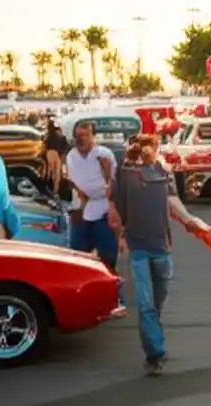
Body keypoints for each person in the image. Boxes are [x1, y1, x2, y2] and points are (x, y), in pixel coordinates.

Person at [112, 134, 203, 376]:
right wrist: (120, 237)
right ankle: (155, 354)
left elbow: (173, 201)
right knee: (146, 304)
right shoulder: (126, 174)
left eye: (150, 147)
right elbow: (117, 207)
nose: (147, 152)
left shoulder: (164, 173)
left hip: (161, 247)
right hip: (138, 247)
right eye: (143, 148)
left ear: (156, 150)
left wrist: (190, 220)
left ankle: (153, 332)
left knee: (157, 303)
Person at [67, 121, 127, 317]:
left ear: (92, 136)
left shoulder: (104, 154)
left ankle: (116, 300)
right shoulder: (71, 156)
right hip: (81, 210)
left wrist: (106, 175)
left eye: (85, 135)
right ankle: (83, 301)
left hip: (102, 210)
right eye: (78, 135)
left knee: (108, 259)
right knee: (78, 258)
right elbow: (73, 182)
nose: (82, 139)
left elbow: (113, 184)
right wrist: (78, 205)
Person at [43, 119, 69, 195]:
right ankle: (55, 190)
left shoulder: (47, 136)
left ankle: (46, 187)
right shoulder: (59, 136)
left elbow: (44, 145)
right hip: (56, 154)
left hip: (49, 153)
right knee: (56, 173)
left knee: (50, 172)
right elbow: (64, 145)